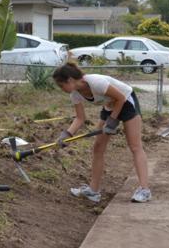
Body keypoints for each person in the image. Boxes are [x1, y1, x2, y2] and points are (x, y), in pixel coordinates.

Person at [51, 61, 152, 204]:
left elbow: (121, 98)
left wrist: (112, 121)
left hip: (126, 102)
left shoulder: (96, 82)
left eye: (61, 85)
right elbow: (80, 118)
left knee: (135, 146)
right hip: (110, 106)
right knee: (98, 148)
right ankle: (93, 191)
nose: (61, 89)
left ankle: (144, 190)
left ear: (70, 80)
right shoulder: (75, 94)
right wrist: (67, 134)